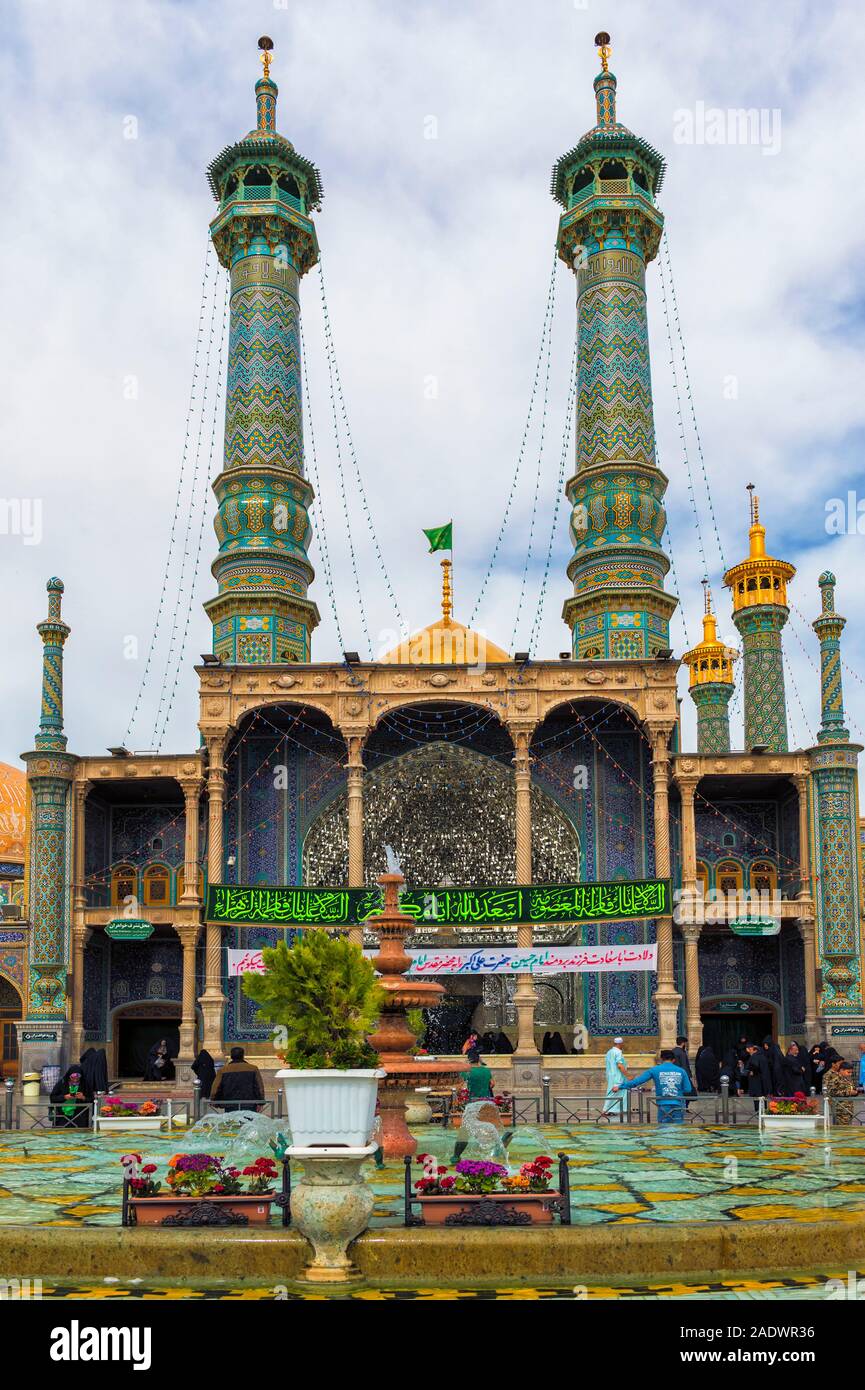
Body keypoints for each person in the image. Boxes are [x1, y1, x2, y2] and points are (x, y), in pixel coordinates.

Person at [613, 1049, 692, 1124]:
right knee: (678, 1128)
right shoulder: (681, 1071)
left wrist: (620, 1087)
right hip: (678, 1103)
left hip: (663, 1104)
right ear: (674, 1060)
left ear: (661, 1059)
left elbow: (637, 1081)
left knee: (663, 1128)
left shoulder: (654, 1070)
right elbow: (688, 1089)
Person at [210, 1046, 265, 1111]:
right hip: (249, 1104)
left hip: (230, 1104)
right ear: (243, 1056)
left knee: (232, 1121)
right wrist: (260, 1102)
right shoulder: (253, 1068)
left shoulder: (223, 1070)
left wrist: (214, 1100)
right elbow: (259, 1087)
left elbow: (215, 1088)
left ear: (231, 1056)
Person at [824, 1058, 857, 1125]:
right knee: (841, 1129)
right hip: (840, 1110)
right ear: (841, 1070)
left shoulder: (848, 1079)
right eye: (848, 1072)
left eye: (851, 1072)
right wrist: (848, 1092)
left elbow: (851, 1089)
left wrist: (855, 1092)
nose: (850, 1074)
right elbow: (831, 1092)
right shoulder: (835, 1080)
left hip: (848, 1109)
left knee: (847, 1130)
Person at [603, 1037, 629, 1116]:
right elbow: (620, 1065)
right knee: (614, 1092)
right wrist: (628, 1075)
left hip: (611, 1076)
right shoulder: (618, 1052)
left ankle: (615, 1109)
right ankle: (605, 1110)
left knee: (618, 1092)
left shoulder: (609, 1052)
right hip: (617, 1076)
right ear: (620, 1043)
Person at [745, 1042, 771, 1110]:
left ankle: (758, 1111)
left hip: (756, 1080)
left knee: (757, 1097)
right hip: (763, 1080)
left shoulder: (755, 1056)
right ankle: (763, 1110)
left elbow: (755, 1066)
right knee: (762, 1097)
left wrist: (752, 1071)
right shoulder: (763, 1056)